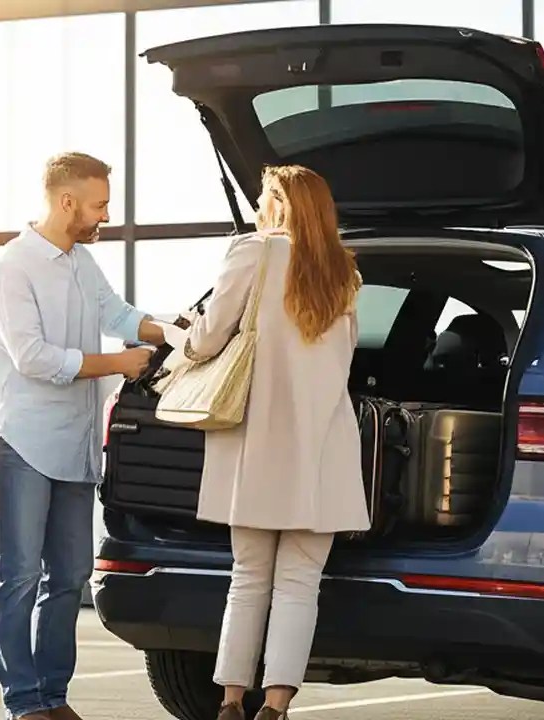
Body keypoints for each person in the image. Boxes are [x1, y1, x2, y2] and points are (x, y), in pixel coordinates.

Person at [0, 151, 169, 720]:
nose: (104, 215)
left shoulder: (81, 262)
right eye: (99, 204)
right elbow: (33, 358)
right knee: (17, 577)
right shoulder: (12, 267)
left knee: (67, 578)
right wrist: (117, 364)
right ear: (67, 202)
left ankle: (54, 698)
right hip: (23, 443)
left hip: (74, 446)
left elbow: (119, 312)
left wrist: (183, 334)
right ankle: (23, 703)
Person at [181, 165, 370, 720]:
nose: (261, 206)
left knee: (248, 577)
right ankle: (278, 703)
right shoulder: (346, 273)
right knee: (299, 584)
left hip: (260, 443)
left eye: (266, 197)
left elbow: (210, 334)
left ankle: (232, 699)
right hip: (325, 445)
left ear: (281, 206)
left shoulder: (251, 253)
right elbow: (348, 356)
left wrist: (183, 344)